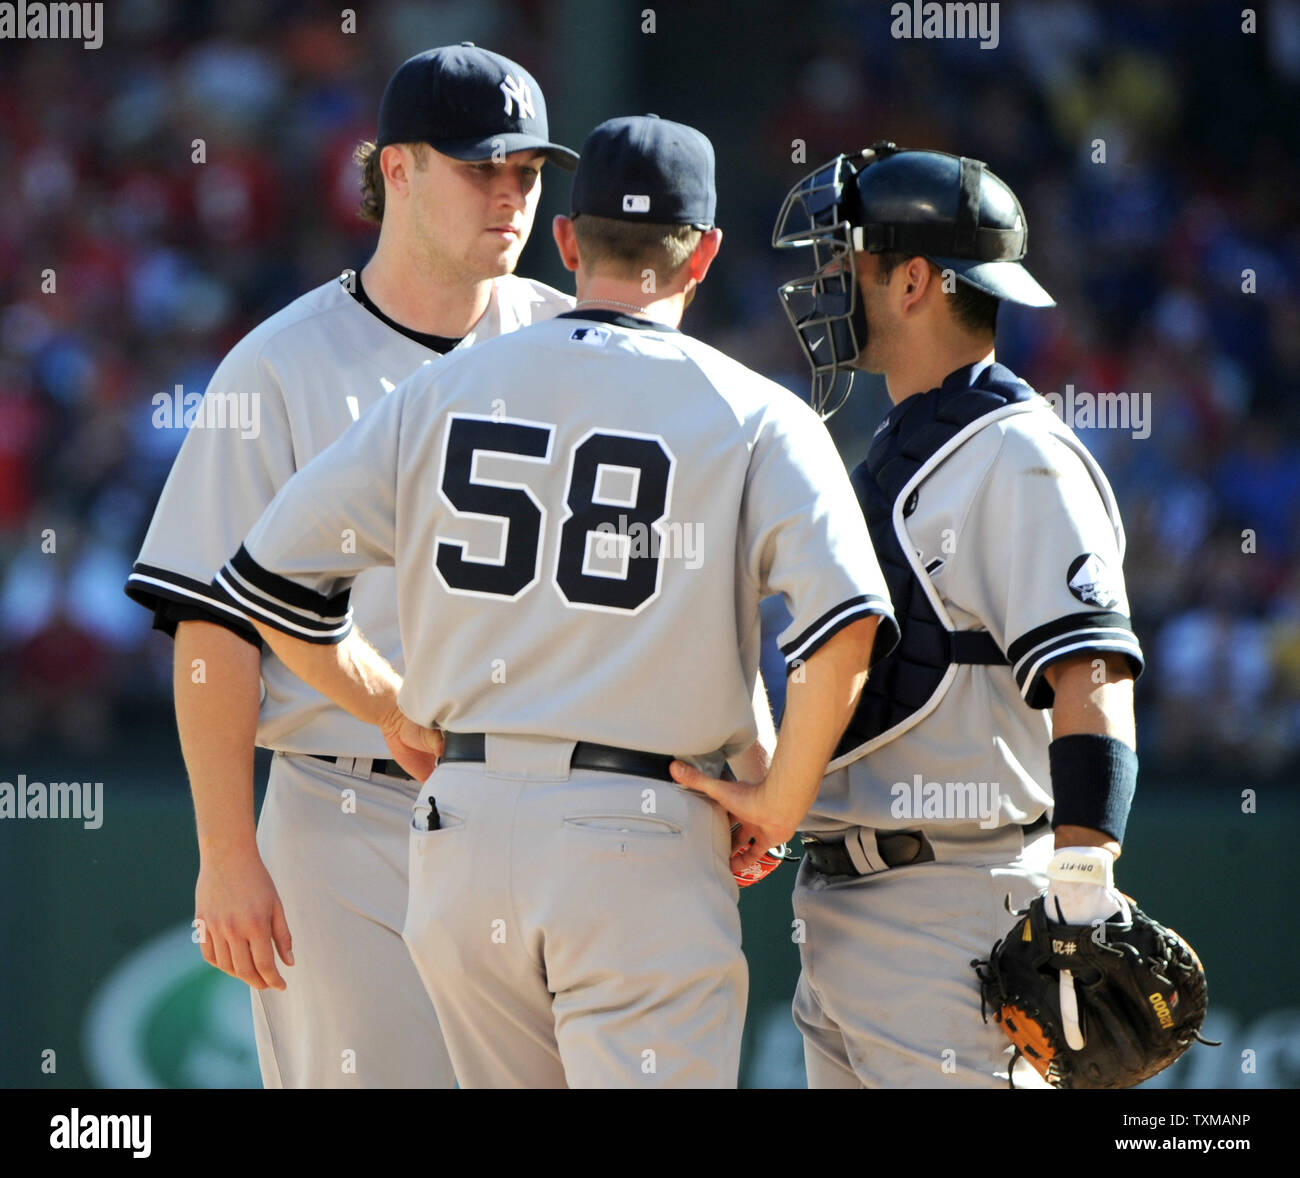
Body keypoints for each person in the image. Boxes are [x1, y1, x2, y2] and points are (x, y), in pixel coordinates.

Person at [207, 114, 898, 1088]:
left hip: (461, 834)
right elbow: (845, 628)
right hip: (639, 833)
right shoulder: (756, 412)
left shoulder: (445, 388)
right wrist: (777, 800)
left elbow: (266, 584)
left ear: (568, 242)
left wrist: (392, 709)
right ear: (704, 252)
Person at [123, 43, 578, 1089]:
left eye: (526, 170)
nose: (509, 193)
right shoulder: (281, 363)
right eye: (481, 166)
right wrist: (225, 854)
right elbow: (213, 627)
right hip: (349, 808)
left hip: (544, 810)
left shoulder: (573, 344)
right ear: (397, 170)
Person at [680, 142, 1145, 1088]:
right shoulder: (905, 445)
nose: (829, 283)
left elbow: (1092, 677)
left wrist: (1083, 887)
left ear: (914, 281)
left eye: (849, 259)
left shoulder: (1019, 454)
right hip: (851, 909)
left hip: (954, 911)